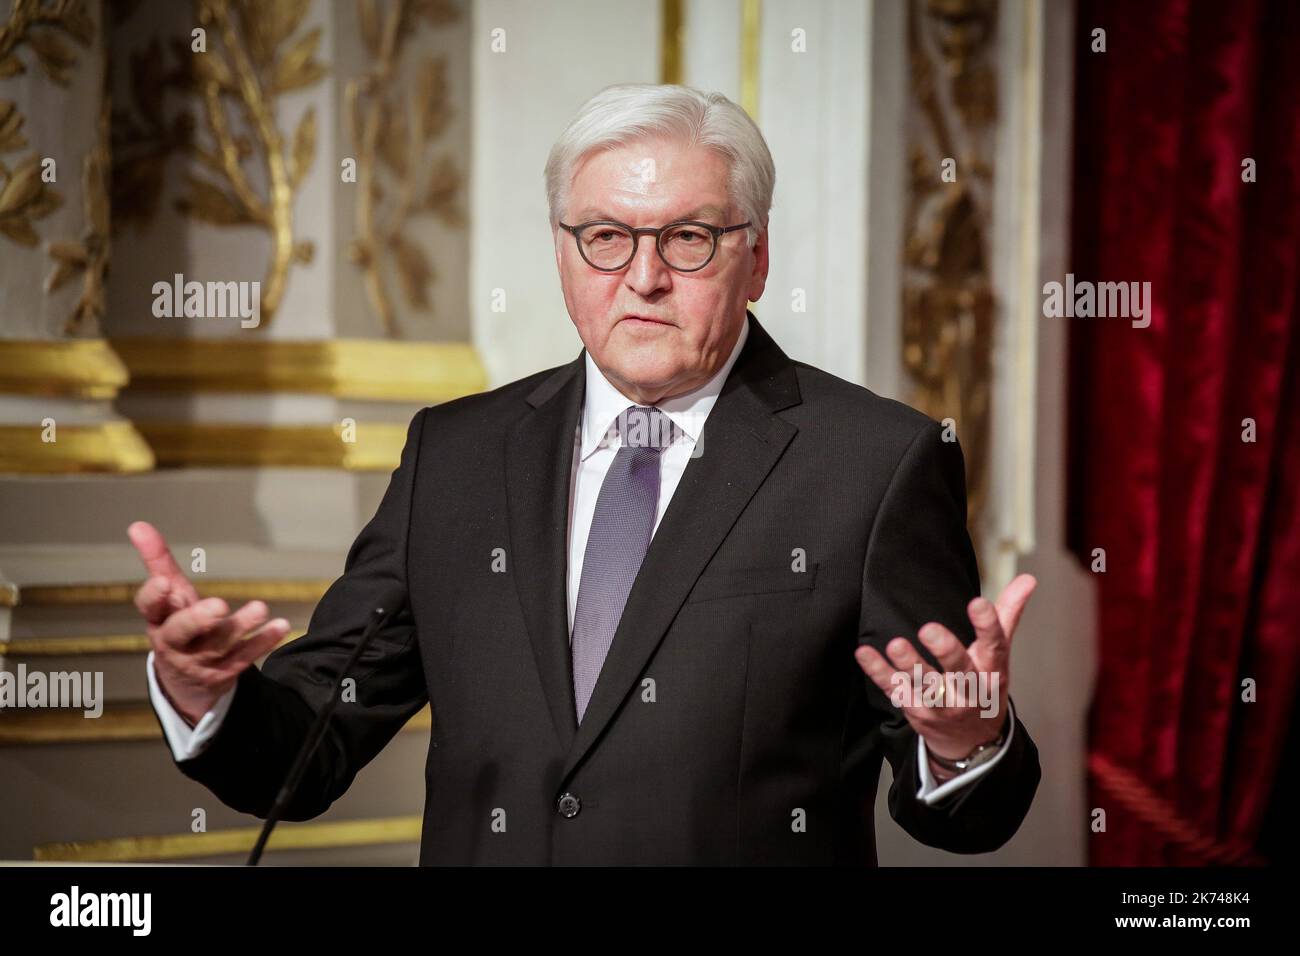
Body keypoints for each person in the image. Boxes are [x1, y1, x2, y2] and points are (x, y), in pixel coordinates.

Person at [130, 83, 1040, 865]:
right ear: (563, 252)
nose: (643, 276)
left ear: (755, 258)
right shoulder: (455, 456)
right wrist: (207, 696)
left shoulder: (874, 464)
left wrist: (966, 746)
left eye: (689, 238)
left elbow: (969, 820)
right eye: (605, 235)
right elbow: (308, 750)